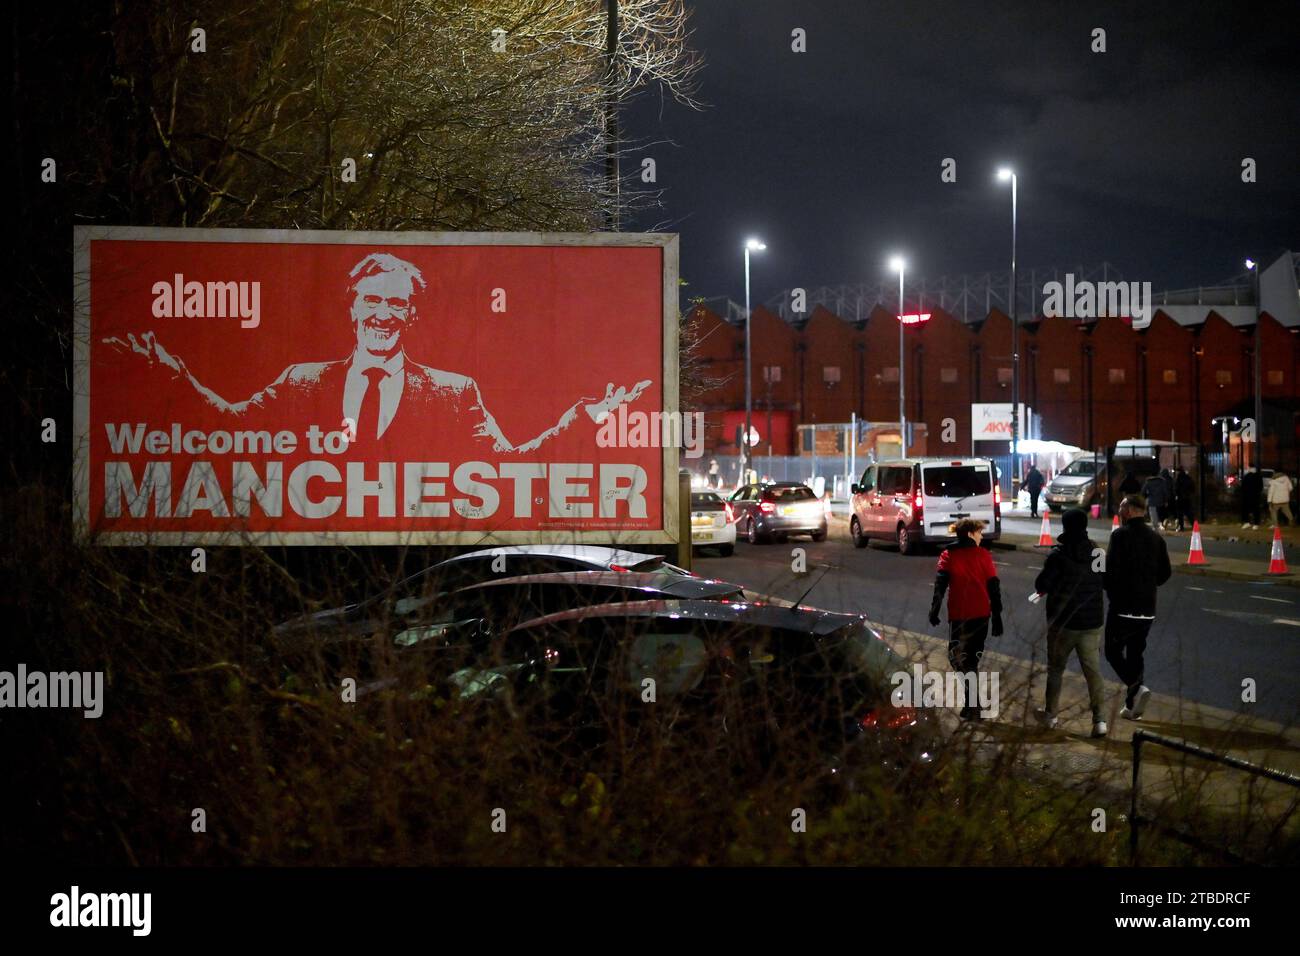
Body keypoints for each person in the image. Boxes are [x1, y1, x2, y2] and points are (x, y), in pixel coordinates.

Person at [104, 251, 650, 453]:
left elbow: (508, 467)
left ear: (412, 315)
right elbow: (230, 430)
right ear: (352, 308)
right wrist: (175, 378)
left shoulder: (454, 392)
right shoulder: (301, 382)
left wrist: (584, 419)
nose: (382, 314)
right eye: (371, 300)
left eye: (395, 303)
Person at [1033, 508, 1107, 738]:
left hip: (1063, 622)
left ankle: (1051, 716)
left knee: (1056, 670)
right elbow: (1103, 581)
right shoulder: (1097, 553)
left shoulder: (1058, 556)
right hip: (1091, 621)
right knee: (1093, 671)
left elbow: (1042, 585)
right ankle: (1100, 720)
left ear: (1065, 526)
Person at [1104, 494, 1172, 720]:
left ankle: (1135, 688)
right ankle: (1132, 706)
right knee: (1136, 653)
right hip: (1147, 607)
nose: (1119, 511)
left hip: (1123, 605)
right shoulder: (1156, 538)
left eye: (1122, 507)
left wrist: (1111, 592)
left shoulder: (1120, 536)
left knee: (1113, 651)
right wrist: (1148, 585)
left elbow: (1111, 570)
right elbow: (1165, 573)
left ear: (1131, 510)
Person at [928, 518, 1003, 720]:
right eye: (979, 533)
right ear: (970, 534)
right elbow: (994, 588)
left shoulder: (948, 555)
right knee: (970, 659)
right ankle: (972, 705)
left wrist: (934, 609)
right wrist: (997, 616)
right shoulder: (983, 555)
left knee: (958, 658)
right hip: (981, 615)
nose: (981, 537)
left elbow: (940, 585)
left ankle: (973, 705)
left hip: (960, 616)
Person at [1174, 466, 1195, 532]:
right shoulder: (1188, 477)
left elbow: (1176, 488)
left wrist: (1176, 494)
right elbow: (1192, 487)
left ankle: (1181, 527)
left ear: (1178, 471)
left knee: (1180, 513)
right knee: (1188, 513)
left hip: (1180, 498)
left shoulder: (1178, 478)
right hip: (1187, 498)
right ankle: (1194, 525)